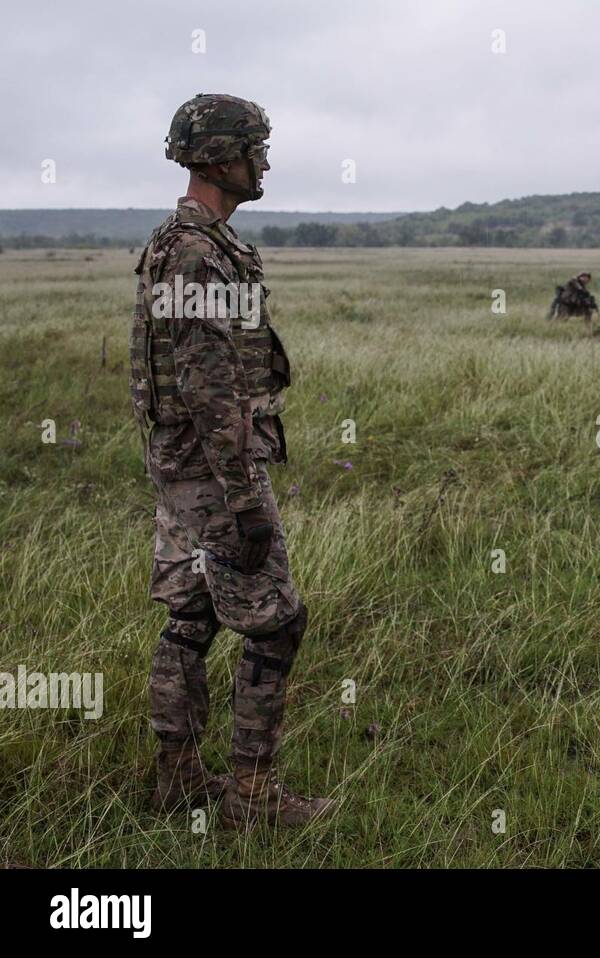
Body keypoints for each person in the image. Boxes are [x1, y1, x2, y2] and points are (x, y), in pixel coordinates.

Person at [131, 93, 334, 828]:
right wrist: (246, 501)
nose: (266, 162)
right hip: (215, 472)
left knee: (190, 617)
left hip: (185, 468)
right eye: (256, 149)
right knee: (276, 622)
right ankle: (252, 798)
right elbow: (210, 391)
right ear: (221, 157)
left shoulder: (193, 245)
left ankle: (179, 778)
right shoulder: (195, 252)